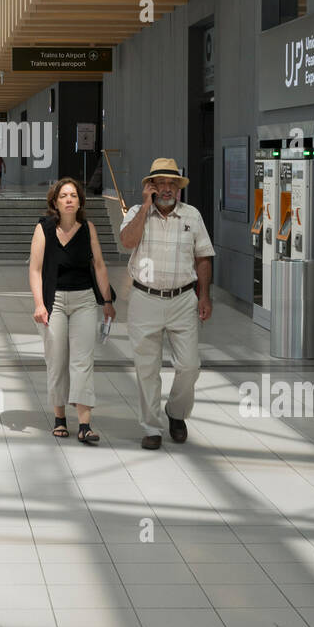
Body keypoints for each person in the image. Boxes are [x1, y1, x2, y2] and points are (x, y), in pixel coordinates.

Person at [119, 157, 214, 450]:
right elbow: (127, 241)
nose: (167, 188)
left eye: (172, 183)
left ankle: (176, 412)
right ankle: (151, 427)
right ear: (150, 186)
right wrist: (146, 207)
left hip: (183, 298)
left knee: (189, 365)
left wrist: (205, 294)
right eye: (161, 182)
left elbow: (203, 257)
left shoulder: (192, 216)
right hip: (144, 298)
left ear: (179, 187)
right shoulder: (137, 212)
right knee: (146, 368)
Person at [29, 177, 116, 444]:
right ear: (55, 202)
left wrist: (107, 301)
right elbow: (35, 269)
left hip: (84, 301)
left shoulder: (88, 228)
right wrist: (39, 304)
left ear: (80, 202)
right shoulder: (44, 228)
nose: (69, 199)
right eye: (64, 195)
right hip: (53, 301)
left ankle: (84, 425)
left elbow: (99, 266)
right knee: (56, 360)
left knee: (82, 361)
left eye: (74, 196)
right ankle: (59, 418)